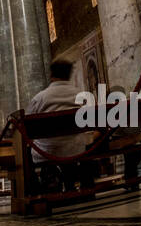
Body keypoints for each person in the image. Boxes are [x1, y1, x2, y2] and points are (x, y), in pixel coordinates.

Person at [26, 61, 96, 191]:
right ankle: (78, 185)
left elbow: (26, 126)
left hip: (47, 152)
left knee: (26, 153)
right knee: (71, 143)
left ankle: (36, 191)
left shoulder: (40, 98)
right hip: (76, 149)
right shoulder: (80, 95)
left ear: (52, 75)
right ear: (69, 75)